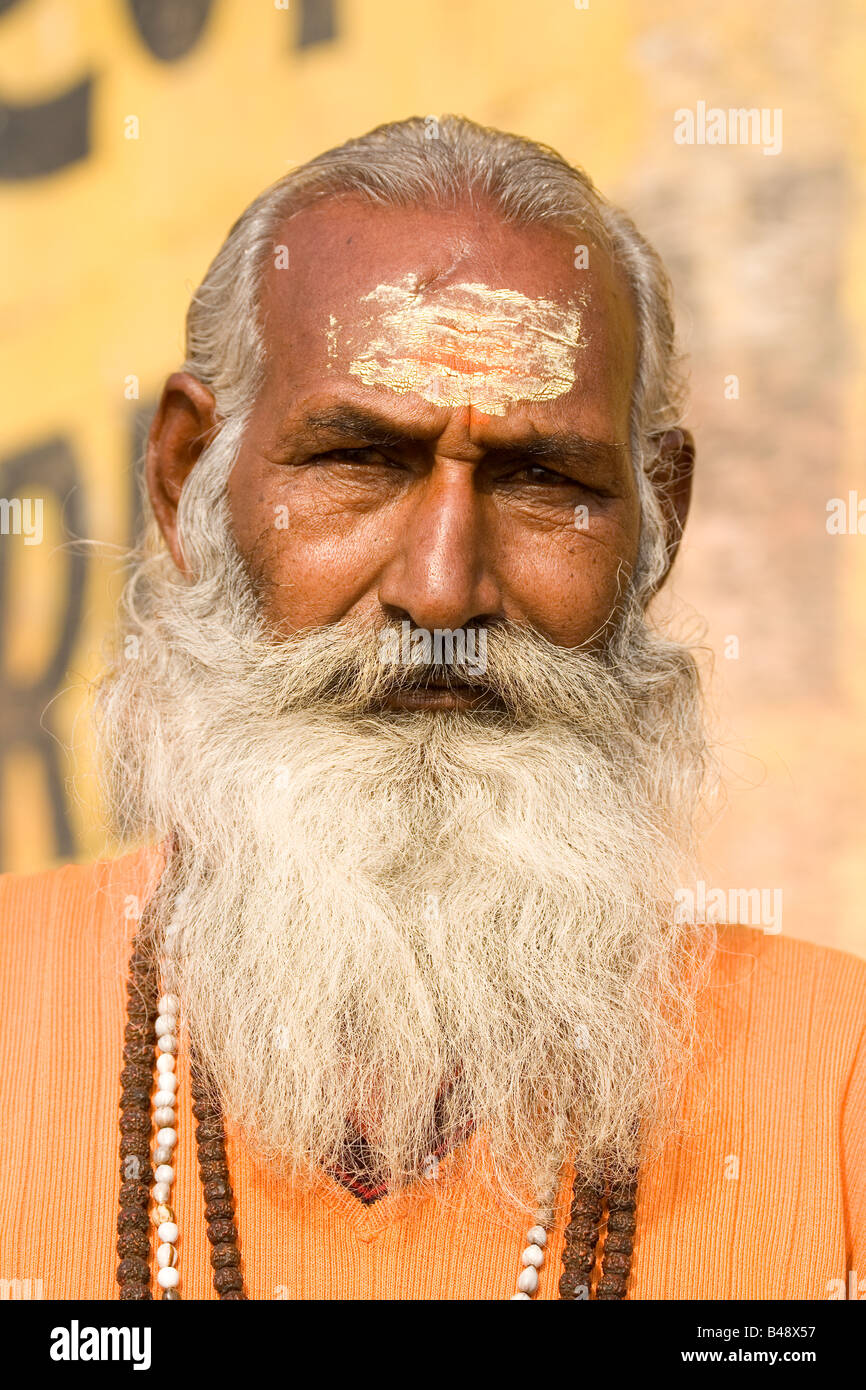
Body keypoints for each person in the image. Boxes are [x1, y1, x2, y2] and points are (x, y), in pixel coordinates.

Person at [1, 116, 863, 1301]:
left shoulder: (834, 1084)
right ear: (186, 475)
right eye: (360, 460)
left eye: (542, 481)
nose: (442, 588)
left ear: (656, 522)